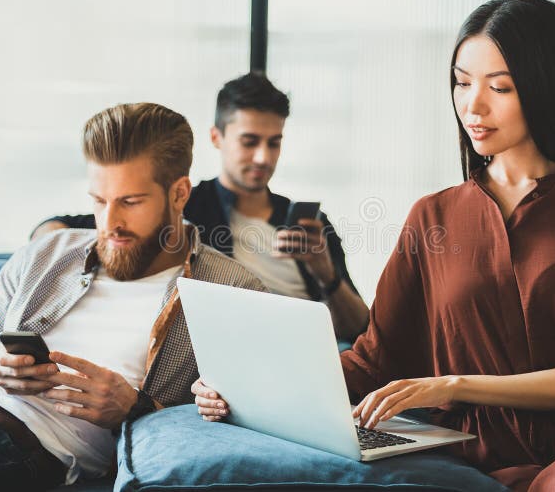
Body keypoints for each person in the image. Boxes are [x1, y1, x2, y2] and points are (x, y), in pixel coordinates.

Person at [192, 0, 555, 491]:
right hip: (488, 454)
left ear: (546, 88)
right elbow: (374, 360)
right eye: (462, 84)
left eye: (500, 88)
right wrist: (244, 387)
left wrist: (453, 384)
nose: (473, 105)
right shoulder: (433, 216)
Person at [0, 103, 265, 490]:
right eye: (98, 201)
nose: (109, 222)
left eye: (130, 202)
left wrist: (134, 408)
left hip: (8, 444)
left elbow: (250, 420)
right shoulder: (49, 254)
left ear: (179, 193)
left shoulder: (230, 290)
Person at [32, 74, 369, 341]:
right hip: (235, 344)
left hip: (309, 346)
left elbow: (359, 329)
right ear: (216, 138)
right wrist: (50, 254)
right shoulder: (182, 205)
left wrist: (325, 274)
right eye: (249, 141)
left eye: (274, 143)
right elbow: (60, 226)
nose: (263, 157)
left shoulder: (308, 223)